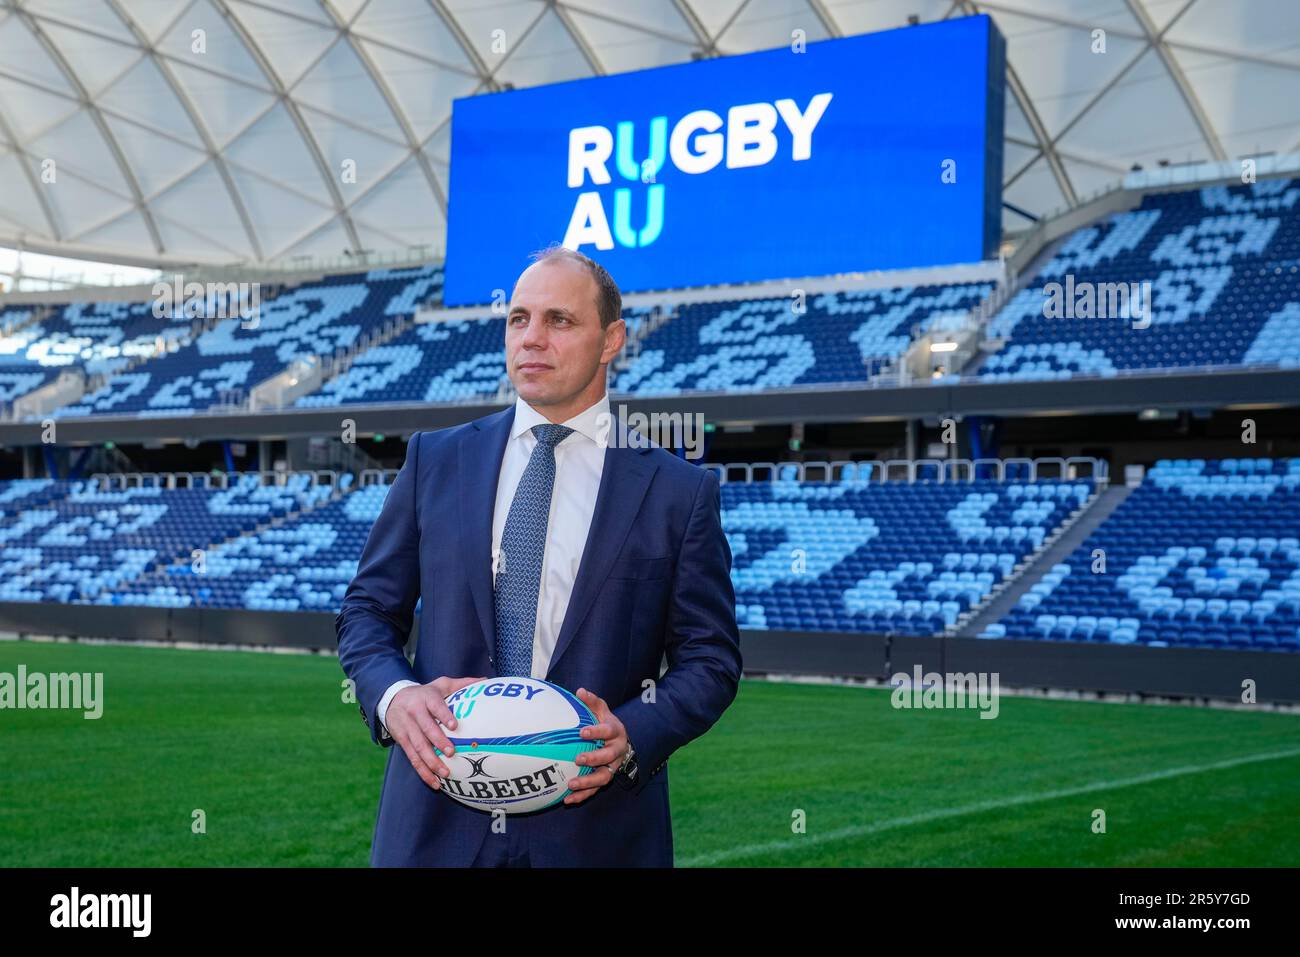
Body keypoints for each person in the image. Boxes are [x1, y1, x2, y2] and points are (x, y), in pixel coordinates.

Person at [336, 244, 742, 866]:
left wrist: (635, 733)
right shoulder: (434, 461)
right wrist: (396, 697)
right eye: (518, 318)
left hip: (597, 832)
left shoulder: (678, 492)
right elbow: (367, 609)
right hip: (435, 824)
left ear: (611, 341)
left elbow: (710, 657)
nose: (531, 339)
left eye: (559, 320)